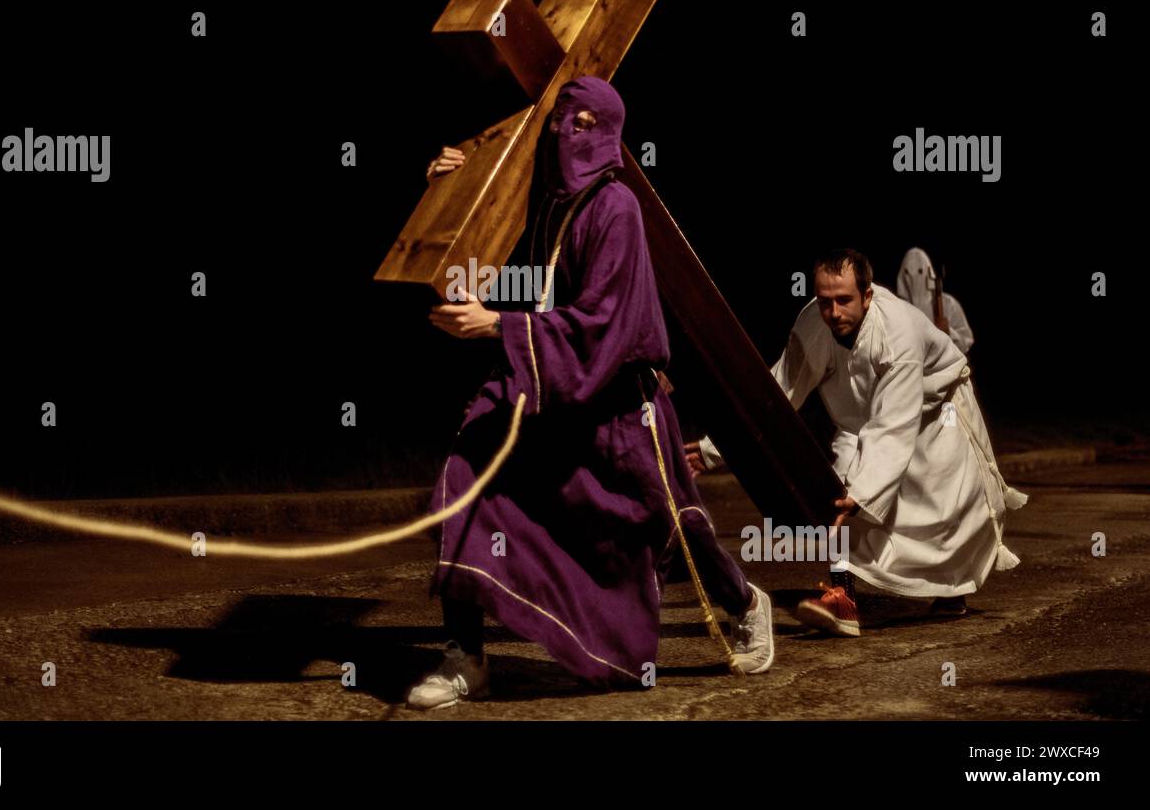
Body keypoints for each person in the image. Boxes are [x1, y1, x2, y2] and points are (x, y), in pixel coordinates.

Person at [406, 76, 774, 710]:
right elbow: (480, 219)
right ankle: (466, 655)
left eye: (583, 125)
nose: (564, 135)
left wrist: (498, 324)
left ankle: (743, 600)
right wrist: (453, 179)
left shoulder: (616, 208)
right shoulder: (543, 201)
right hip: (548, 382)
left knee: (664, 524)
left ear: (607, 136)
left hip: (616, 399)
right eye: (559, 122)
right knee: (466, 479)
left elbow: (607, 322)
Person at [687, 249, 1025, 637]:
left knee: (943, 516)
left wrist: (866, 491)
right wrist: (717, 446)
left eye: (844, 300)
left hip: (936, 415)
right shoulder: (814, 321)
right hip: (864, 423)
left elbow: (893, 424)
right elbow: (781, 389)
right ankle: (842, 598)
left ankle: (950, 591)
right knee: (839, 492)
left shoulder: (898, 332)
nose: (833, 312)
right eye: (825, 300)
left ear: (867, 295)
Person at [895, 247, 975, 354]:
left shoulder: (948, 304)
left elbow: (967, 341)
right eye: (907, 272)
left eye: (920, 271)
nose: (913, 278)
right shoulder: (898, 309)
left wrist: (949, 332)